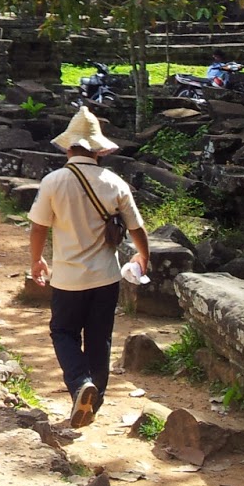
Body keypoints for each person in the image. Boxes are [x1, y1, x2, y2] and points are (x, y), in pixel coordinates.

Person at [27, 108, 150, 428]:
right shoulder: (114, 182)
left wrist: (36, 259)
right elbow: (136, 228)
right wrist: (143, 257)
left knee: (63, 332)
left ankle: (81, 383)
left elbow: (39, 227)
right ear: (98, 150)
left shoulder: (53, 182)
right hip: (106, 277)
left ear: (69, 148)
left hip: (68, 278)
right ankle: (95, 399)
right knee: (99, 338)